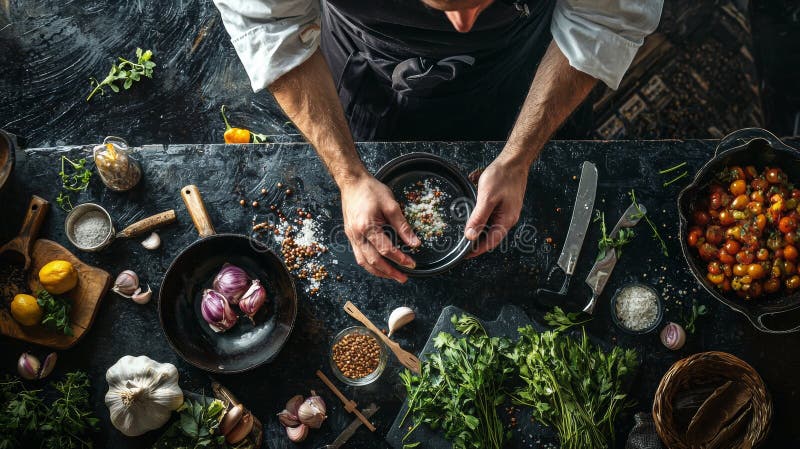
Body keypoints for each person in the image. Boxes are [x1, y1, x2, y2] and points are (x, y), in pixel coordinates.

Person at [212, 0, 663, 283]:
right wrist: (349, 177)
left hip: (521, 55)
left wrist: (519, 158)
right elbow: (274, 29)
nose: (463, 24)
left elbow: (601, 19)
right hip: (369, 53)